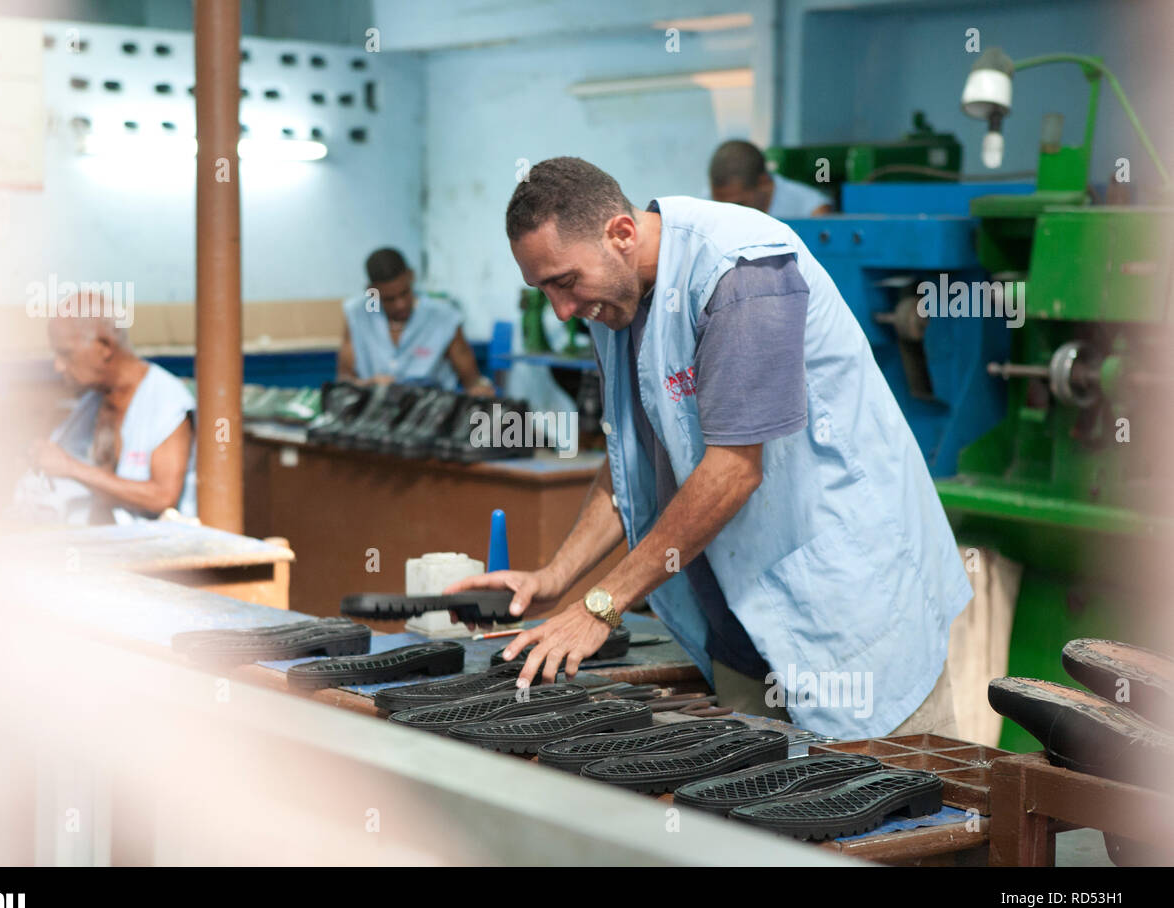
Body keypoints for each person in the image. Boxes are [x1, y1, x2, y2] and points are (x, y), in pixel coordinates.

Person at [447, 157, 971, 739]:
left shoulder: (741, 272)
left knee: (896, 813)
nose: (562, 310)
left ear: (621, 232)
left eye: (565, 282)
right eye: (543, 288)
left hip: (850, 618)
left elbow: (732, 471)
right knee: (761, 822)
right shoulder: (614, 304)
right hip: (744, 630)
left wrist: (602, 604)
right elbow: (633, 457)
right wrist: (554, 577)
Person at [19, 291, 197, 525]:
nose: (58, 366)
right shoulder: (90, 404)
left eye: (66, 354)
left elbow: (162, 497)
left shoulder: (167, 401)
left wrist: (70, 468)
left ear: (104, 346)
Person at [338, 248, 495, 396]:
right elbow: (344, 382)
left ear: (411, 276)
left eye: (405, 293)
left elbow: (472, 381)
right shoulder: (358, 315)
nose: (400, 304)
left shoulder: (444, 318)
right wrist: (369, 385)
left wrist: (481, 389)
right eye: (389, 299)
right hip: (375, 416)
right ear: (371, 290)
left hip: (431, 416)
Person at [709, 139, 833, 218]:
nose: (728, 216)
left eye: (738, 204)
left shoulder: (811, 211)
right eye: (720, 207)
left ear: (764, 183)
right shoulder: (706, 203)